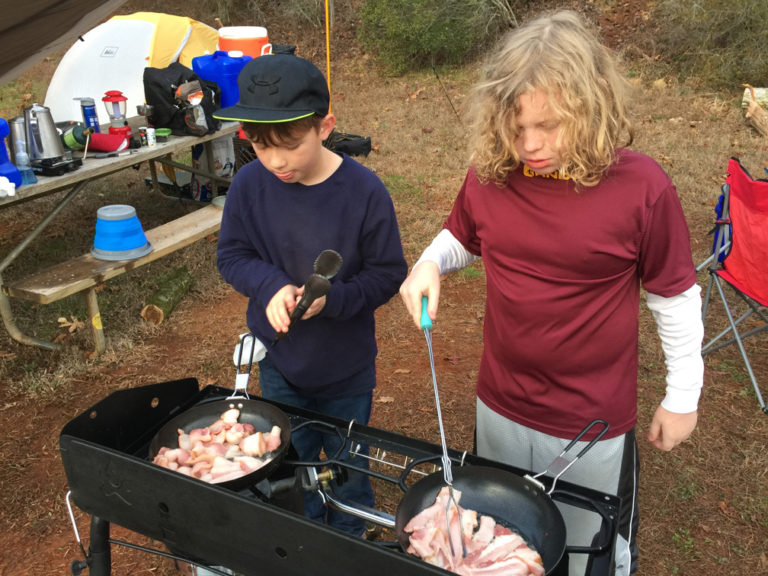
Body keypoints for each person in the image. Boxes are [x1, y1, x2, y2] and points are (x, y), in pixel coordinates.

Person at [398, 10, 704, 576]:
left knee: (588, 550)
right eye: (516, 128)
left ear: (593, 109)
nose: (531, 145)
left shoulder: (642, 188)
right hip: (501, 403)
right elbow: (463, 236)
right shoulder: (492, 173)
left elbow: (675, 296)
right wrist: (429, 264)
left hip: (593, 421)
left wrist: (683, 394)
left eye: (551, 125)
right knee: (502, 540)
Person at [215, 54, 408, 537]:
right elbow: (232, 256)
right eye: (259, 145)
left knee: (347, 465)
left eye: (289, 145)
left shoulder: (364, 192)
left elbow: (388, 273)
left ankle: (347, 533)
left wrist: (335, 299)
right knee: (291, 461)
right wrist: (269, 286)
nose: (275, 160)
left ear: (325, 127)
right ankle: (305, 536)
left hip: (346, 367)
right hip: (280, 362)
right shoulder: (248, 185)